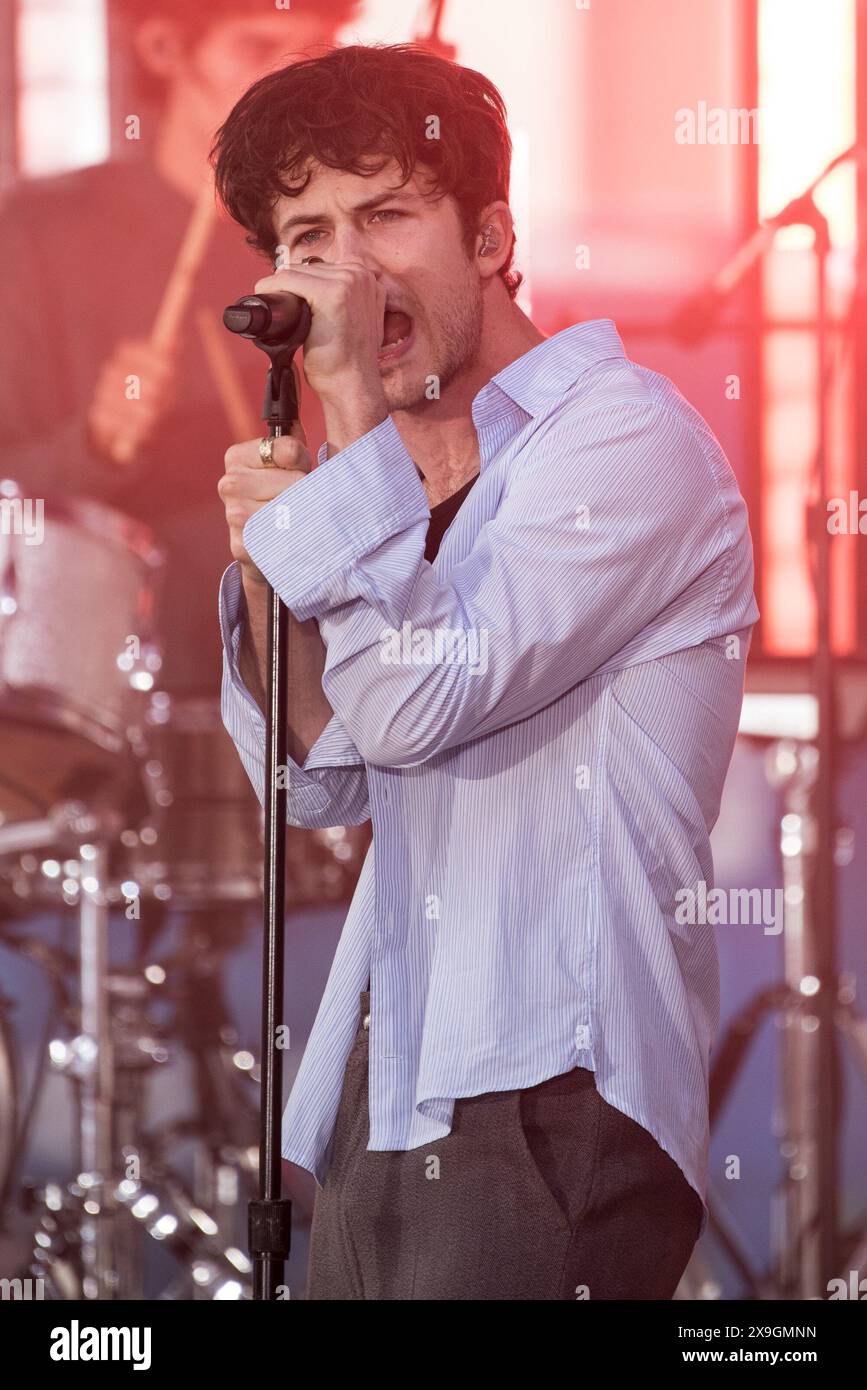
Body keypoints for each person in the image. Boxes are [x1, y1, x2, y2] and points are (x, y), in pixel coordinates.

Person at [213, 42, 761, 1300]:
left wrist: (346, 444)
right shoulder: (384, 479)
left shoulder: (624, 438)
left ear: (492, 234)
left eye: (388, 215)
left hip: (548, 1091)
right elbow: (317, 779)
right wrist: (265, 557)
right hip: (384, 1078)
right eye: (308, 235)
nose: (347, 270)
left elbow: (415, 705)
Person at [0, 0, 359, 694]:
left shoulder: (334, 241)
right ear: (164, 48)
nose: (288, 85)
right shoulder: (36, 236)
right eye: (255, 48)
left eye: (311, 54)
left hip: (298, 673)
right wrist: (96, 447)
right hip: (87, 682)